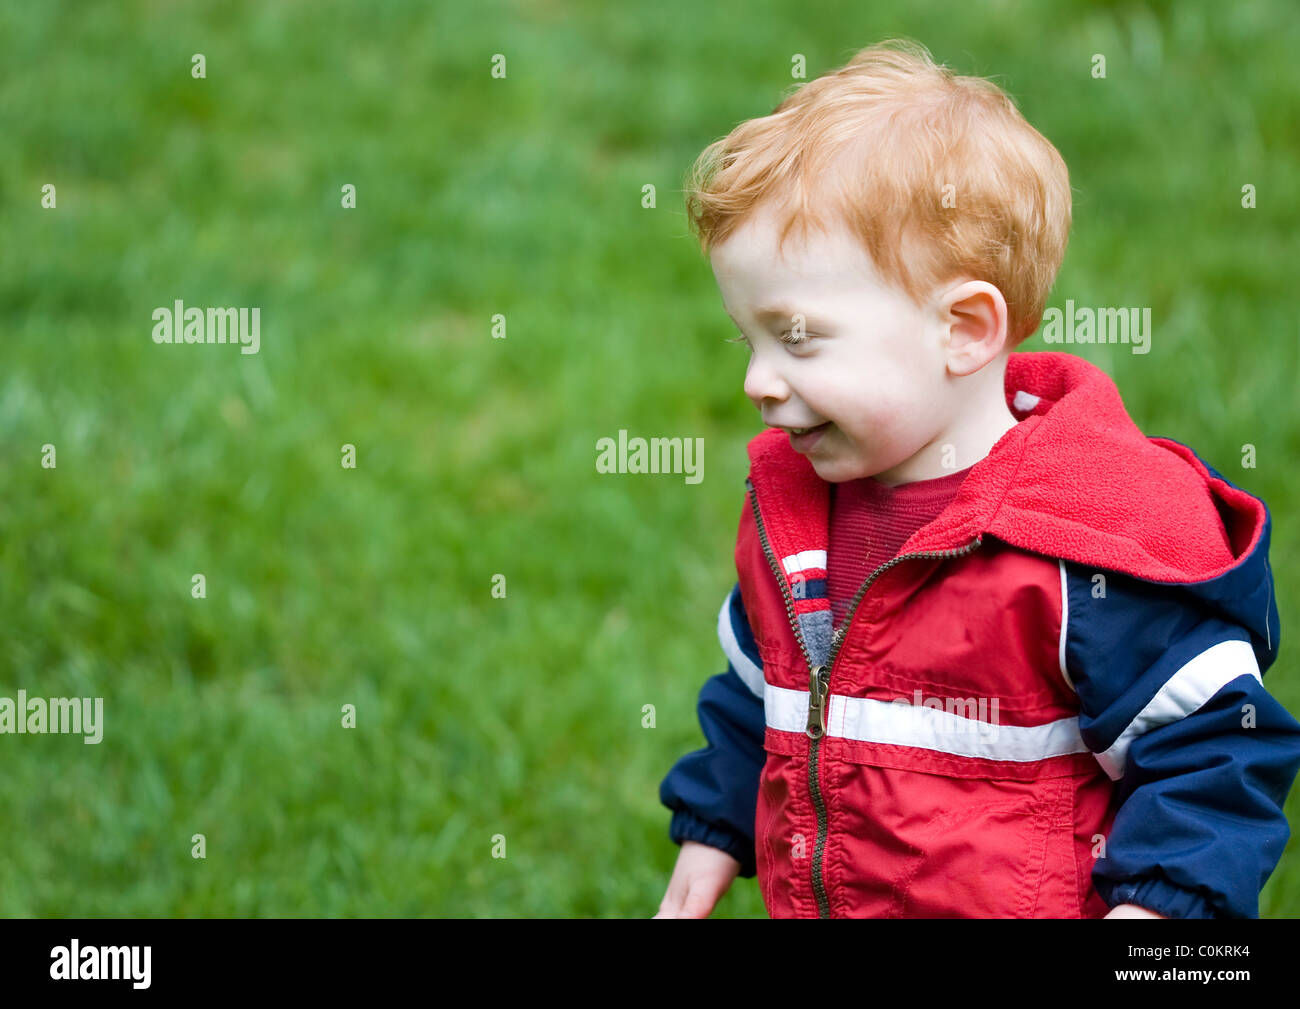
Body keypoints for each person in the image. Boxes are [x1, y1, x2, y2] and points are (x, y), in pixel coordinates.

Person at [655, 38, 1300, 918]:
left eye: (796, 337)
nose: (756, 382)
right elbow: (758, 690)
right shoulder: (794, 519)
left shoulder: (1084, 551)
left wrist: (1158, 909)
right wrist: (714, 820)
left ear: (962, 328)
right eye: (748, 339)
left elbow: (1220, 749)